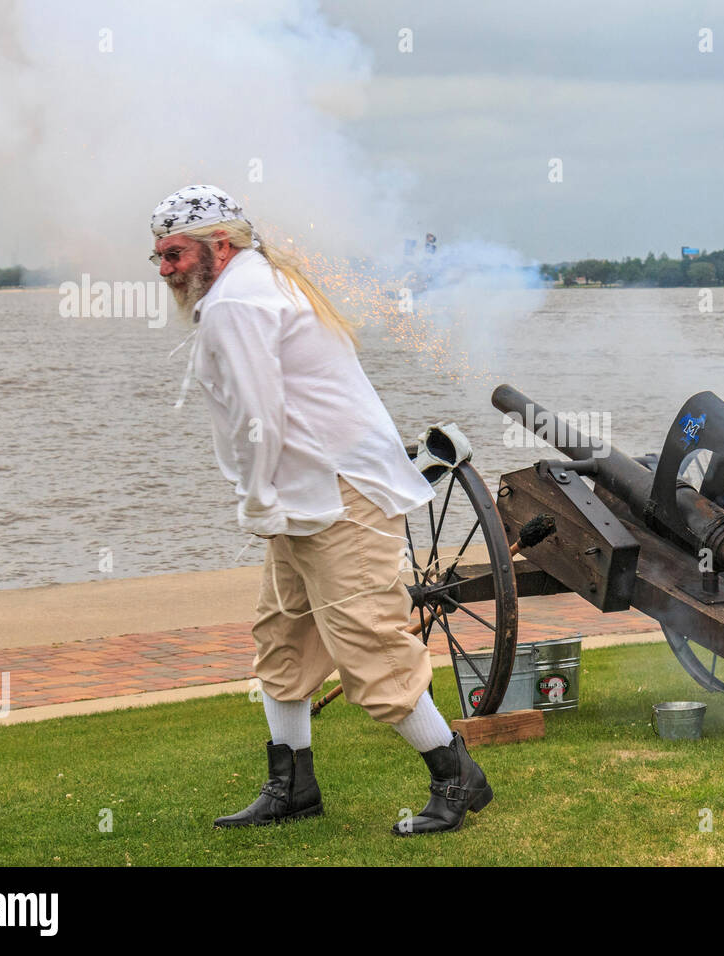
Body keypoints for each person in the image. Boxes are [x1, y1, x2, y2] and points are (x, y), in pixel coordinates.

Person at [152, 184, 491, 835]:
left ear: (218, 246)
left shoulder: (239, 301)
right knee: (283, 636)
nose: (165, 270)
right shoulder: (259, 284)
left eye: (173, 254)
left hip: (337, 498)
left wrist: (255, 503)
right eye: (159, 258)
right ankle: (292, 787)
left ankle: (457, 777)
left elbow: (259, 419)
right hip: (306, 498)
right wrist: (270, 505)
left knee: (369, 643)